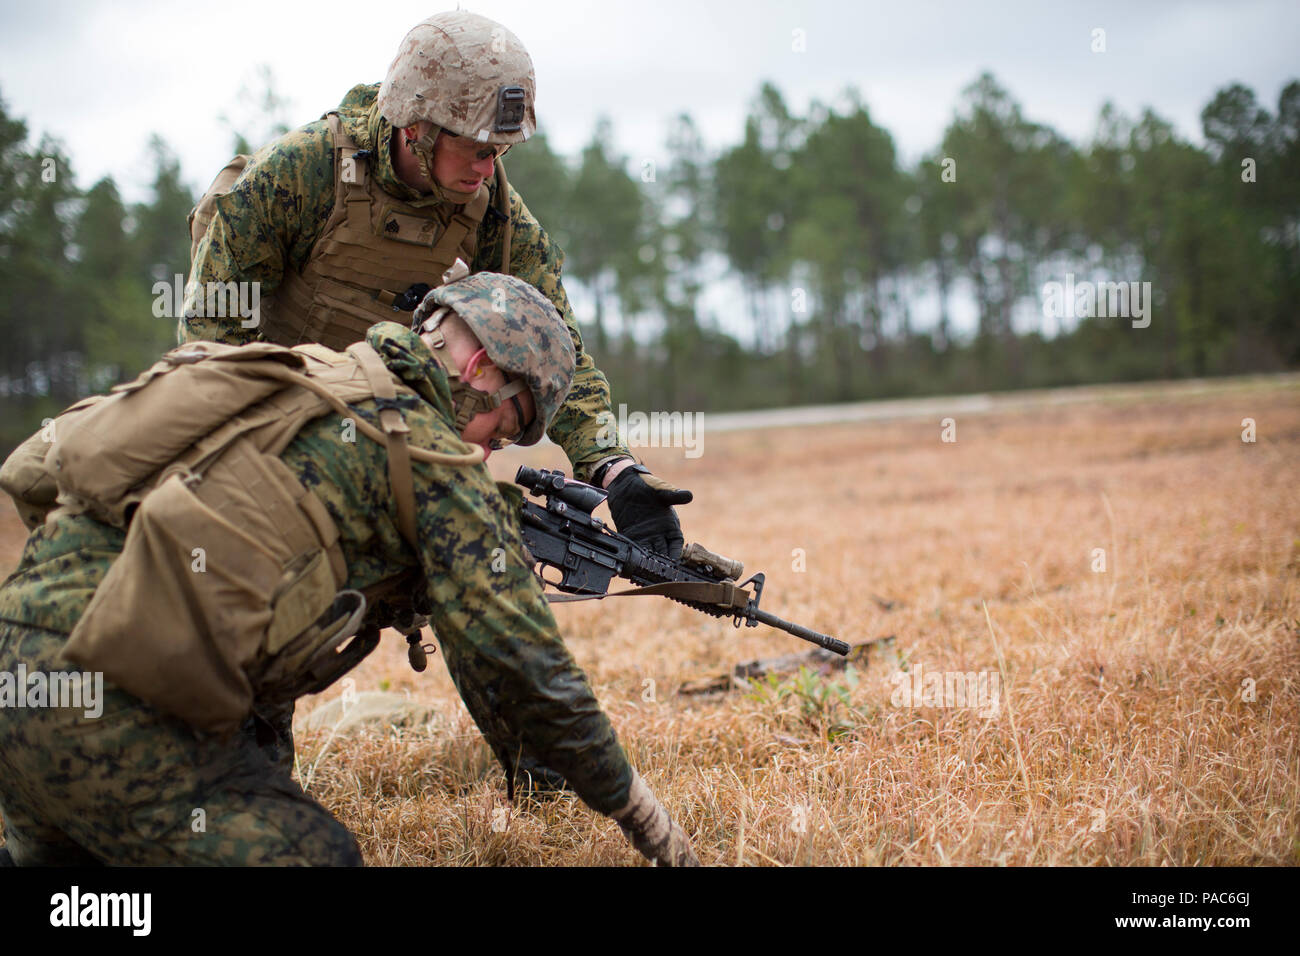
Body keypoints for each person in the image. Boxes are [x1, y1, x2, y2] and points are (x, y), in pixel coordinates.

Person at [0, 271, 698, 867]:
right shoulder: (430, 461)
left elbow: (34, 472)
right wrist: (642, 815)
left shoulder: (302, 373)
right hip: (105, 719)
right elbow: (523, 667)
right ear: (480, 368)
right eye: (509, 426)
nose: (495, 449)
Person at [183, 10, 691, 560]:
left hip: (387, 432)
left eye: (500, 150)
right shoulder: (301, 173)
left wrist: (612, 467)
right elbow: (213, 332)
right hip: (273, 422)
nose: (489, 166)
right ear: (417, 127)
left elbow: (553, 345)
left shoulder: (492, 210)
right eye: (477, 147)